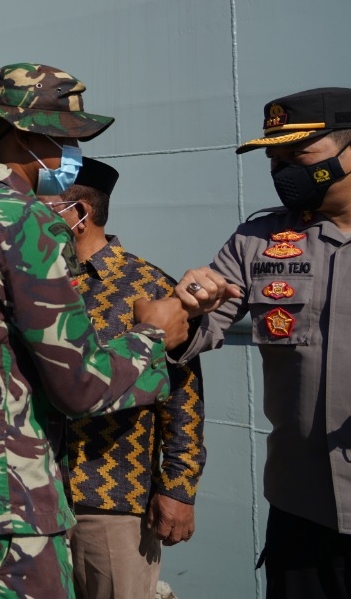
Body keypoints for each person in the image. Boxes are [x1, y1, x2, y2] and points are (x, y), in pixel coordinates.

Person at [0, 64, 234, 598]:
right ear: (20, 134)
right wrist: (155, 335)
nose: (69, 155)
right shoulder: (23, 218)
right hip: (4, 492)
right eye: (64, 139)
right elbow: (80, 385)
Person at [144, 87, 351, 598]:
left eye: (298, 156)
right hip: (302, 503)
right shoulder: (257, 240)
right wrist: (184, 307)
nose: (283, 172)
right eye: (274, 159)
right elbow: (188, 334)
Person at [43, 158, 206, 599]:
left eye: (38, 207)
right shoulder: (33, 286)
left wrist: (178, 488)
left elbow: (183, 398)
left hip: (111, 497)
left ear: (77, 214)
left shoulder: (149, 287)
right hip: (33, 494)